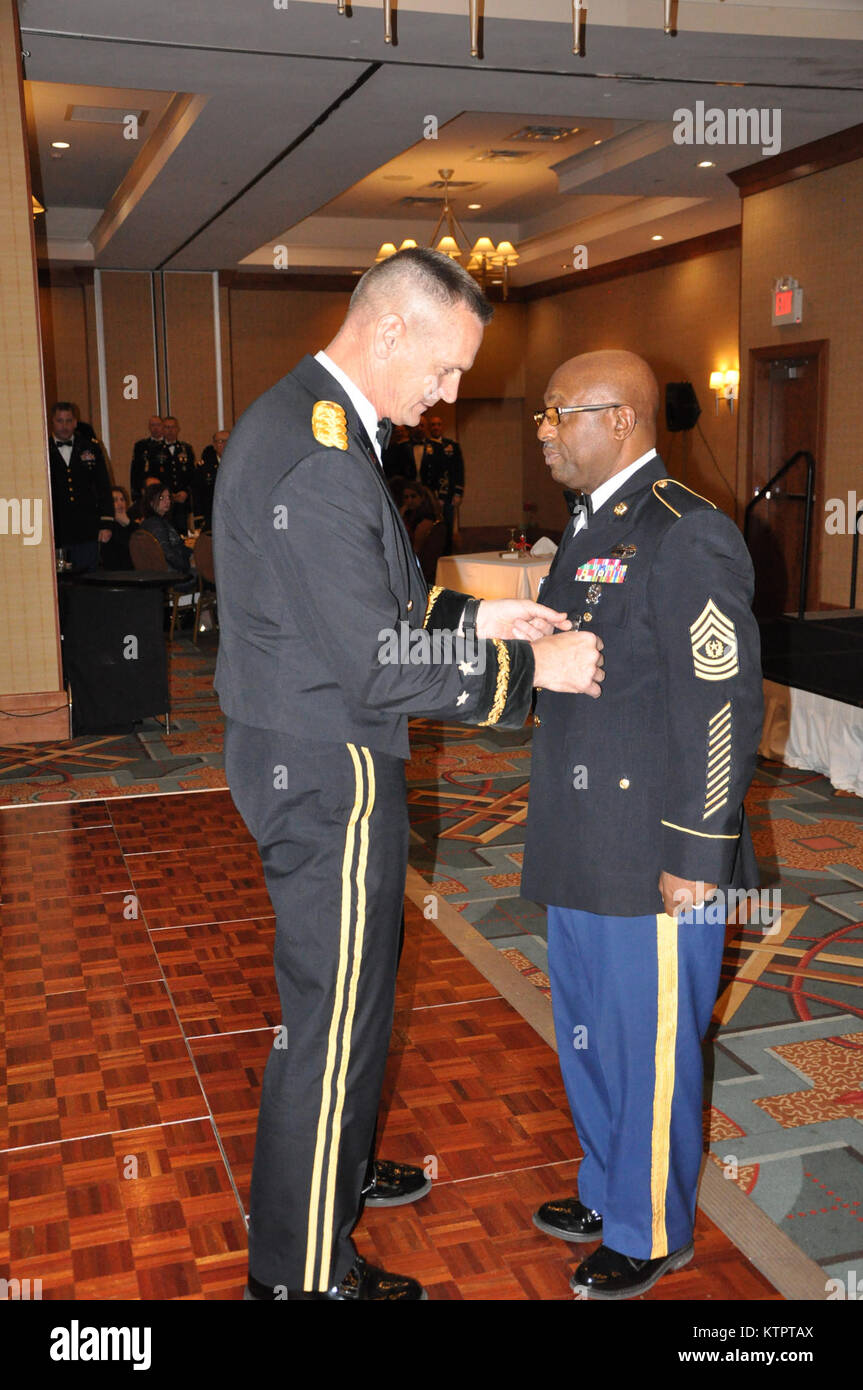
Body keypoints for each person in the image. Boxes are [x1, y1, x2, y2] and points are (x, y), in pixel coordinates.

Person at [213, 247, 604, 1303]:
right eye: (442, 370)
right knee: (333, 1023)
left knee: (355, 1003)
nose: (448, 396)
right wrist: (533, 668)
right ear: (386, 331)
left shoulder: (318, 424)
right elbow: (381, 662)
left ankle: (331, 1173)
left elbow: (370, 604)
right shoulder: (315, 454)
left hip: (312, 747)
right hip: (326, 767)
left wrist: (482, 615)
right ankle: (297, 1275)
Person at [521, 350, 763, 1299]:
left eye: (557, 414)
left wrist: (699, 852)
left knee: (651, 1041)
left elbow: (721, 701)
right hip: (582, 836)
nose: (544, 431)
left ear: (618, 420)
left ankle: (651, 1225)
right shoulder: (590, 526)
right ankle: (608, 1184)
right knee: (588, 1027)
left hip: (658, 850)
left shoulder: (683, 532)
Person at [48, 401, 113, 571]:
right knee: (59, 583)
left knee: (88, 579)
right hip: (56, 528)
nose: (64, 426)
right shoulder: (43, 449)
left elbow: (103, 486)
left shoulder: (90, 447)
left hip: (87, 527)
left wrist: (106, 523)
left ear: (75, 422)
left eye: (69, 421)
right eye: (60, 421)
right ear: (52, 422)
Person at [138, 481, 197, 592]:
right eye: (161, 498)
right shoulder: (155, 524)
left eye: (168, 497)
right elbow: (166, 553)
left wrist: (193, 555)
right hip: (172, 577)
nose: (167, 501)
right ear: (151, 502)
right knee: (212, 569)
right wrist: (189, 564)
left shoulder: (154, 521)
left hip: (166, 574)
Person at [419, 413, 465, 553]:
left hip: (449, 494)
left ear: (442, 426)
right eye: (433, 425)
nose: (436, 427)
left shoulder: (452, 446)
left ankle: (448, 555)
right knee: (432, 528)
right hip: (431, 495)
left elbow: (459, 470)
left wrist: (458, 493)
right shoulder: (425, 446)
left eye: (438, 424)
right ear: (429, 427)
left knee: (448, 526)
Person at [161, 416, 195, 534]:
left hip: (182, 500)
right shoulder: (155, 450)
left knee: (181, 532)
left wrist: (186, 492)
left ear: (178, 429)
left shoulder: (186, 449)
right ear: (162, 429)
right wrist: (167, 494)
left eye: (173, 427)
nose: (170, 430)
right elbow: (153, 477)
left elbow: (192, 475)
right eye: (167, 427)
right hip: (163, 501)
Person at [193, 428, 230, 531]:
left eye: (227, 441)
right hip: (211, 515)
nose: (224, 444)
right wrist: (199, 517)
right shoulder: (204, 467)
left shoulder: (239, 465)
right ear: (214, 445)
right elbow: (198, 493)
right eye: (220, 441)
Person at [130, 415, 169, 502]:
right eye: (152, 425)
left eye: (158, 425)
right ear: (149, 427)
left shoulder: (168, 446)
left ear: (163, 426)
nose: (155, 428)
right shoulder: (141, 446)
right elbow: (135, 471)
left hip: (165, 490)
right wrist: (135, 493)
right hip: (146, 491)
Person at [100, 486, 135, 570]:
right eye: (115, 500)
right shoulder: (106, 525)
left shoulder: (132, 522)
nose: (120, 503)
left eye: (122, 499)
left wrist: (128, 523)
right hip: (114, 574)